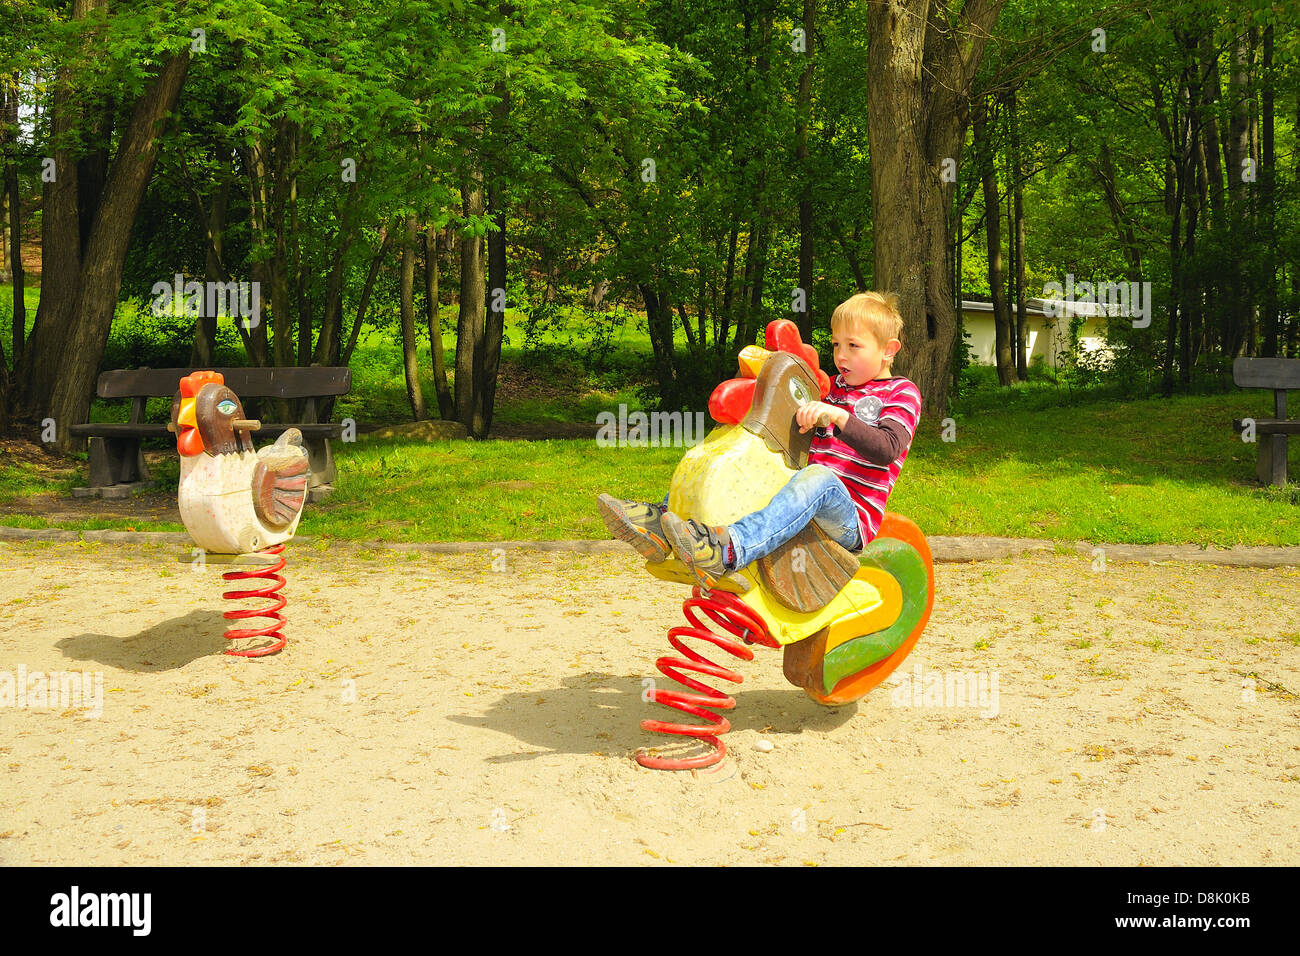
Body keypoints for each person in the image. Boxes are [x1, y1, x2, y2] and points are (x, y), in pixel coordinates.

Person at [598, 291, 923, 588]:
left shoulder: (900, 392)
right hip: (800, 494)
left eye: (854, 346)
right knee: (744, 450)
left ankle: (726, 551)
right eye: (837, 344)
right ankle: (664, 524)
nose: (842, 355)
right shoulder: (833, 388)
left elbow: (887, 449)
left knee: (820, 477)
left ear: (888, 350)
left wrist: (839, 417)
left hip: (849, 516)